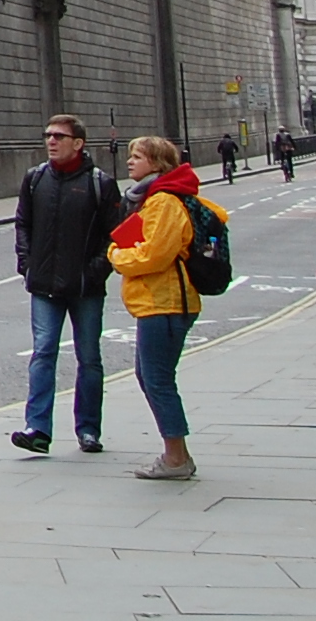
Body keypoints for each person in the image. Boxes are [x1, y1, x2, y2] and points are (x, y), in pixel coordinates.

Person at [11, 114, 122, 455]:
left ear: (78, 143)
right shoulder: (35, 179)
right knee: (43, 353)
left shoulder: (100, 183)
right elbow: (23, 224)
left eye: (59, 136)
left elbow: (115, 235)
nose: (51, 141)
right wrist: (27, 264)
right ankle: (37, 429)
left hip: (85, 288)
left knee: (89, 358)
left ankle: (88, 429)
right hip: (44, 286)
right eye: (48, 135)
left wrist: (94, 272)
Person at [108, 135, 218, 481]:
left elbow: (154, 254)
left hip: (166, 301)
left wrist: (117, 256)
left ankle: (175, 458)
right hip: (157, 301)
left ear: (156, 163)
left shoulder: (164, 202)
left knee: (158, 380)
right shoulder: (154, 198)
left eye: (137, 156)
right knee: (152, 377)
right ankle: (177, 454)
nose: (130, 162)